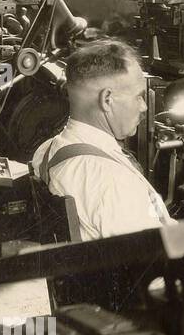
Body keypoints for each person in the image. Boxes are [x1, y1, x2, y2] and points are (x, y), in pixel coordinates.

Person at [31, 38, 172, 241]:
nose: (144, 106)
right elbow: (153, 256)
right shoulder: (112, 182)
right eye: (138, 96)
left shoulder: (46, 150)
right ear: (107, 100)